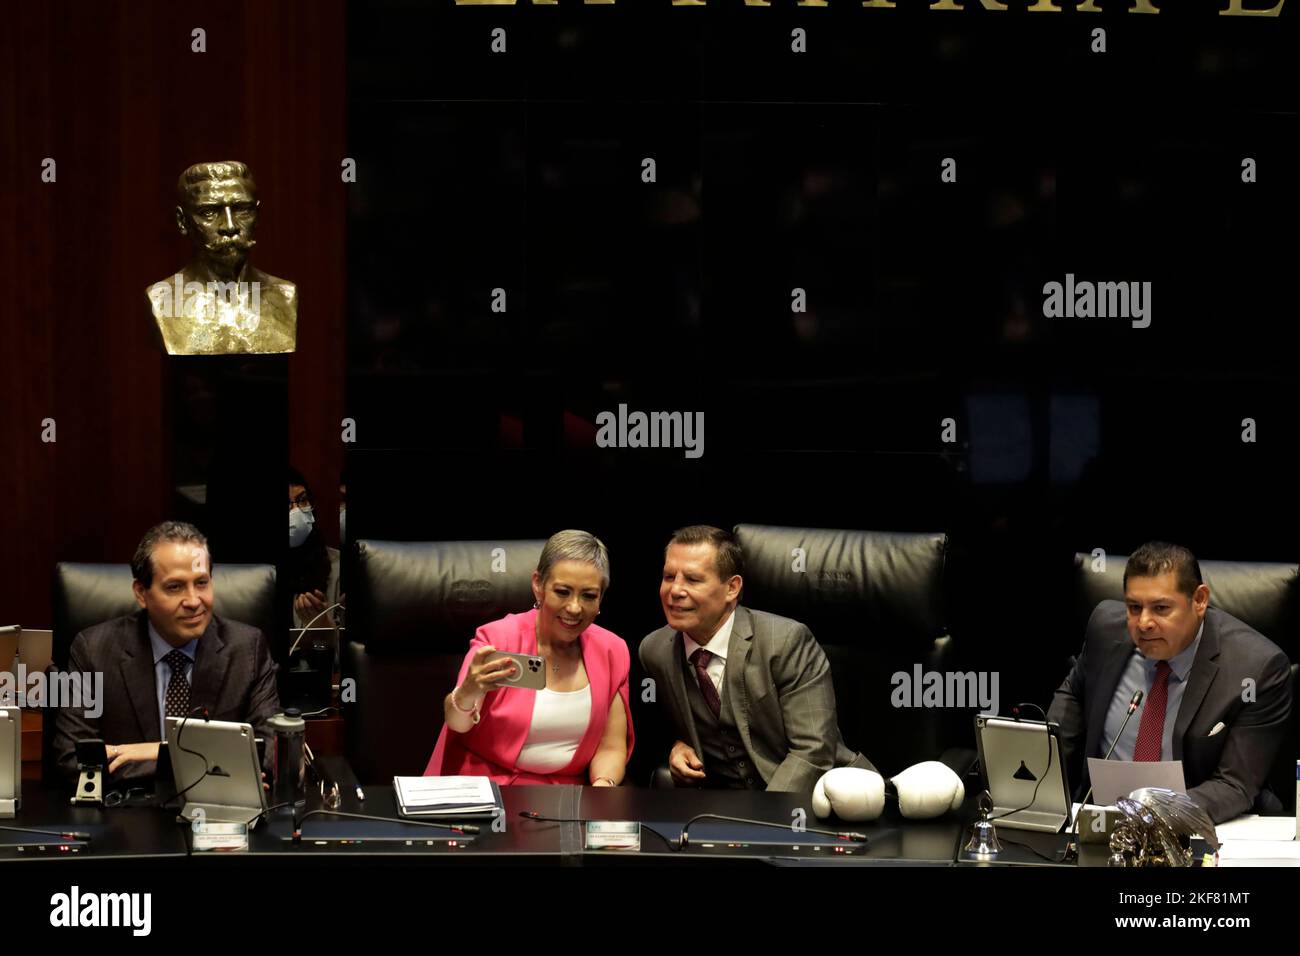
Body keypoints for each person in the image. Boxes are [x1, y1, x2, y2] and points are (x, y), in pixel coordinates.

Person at [1048, 541, 1293, 824]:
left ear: (1199, 600)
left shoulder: (1257, 668)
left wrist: (1148, 817)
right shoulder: (1105, 629)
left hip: (1197, 830)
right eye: (1134, 607)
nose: (1144, 623)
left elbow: (1234, 785)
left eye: (1161, 608)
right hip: (1100, 823)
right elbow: (1067, 715)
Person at [639, 525, 873, 792]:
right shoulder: (654, 651)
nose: (675, 590)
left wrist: (762, 822)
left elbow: (813, 751)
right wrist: (676, 746)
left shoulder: (786, 641)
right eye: (669, 577)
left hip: (829, 799)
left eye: (692, 579)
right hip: (723, 806)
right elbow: (659, 729)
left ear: (732, 588)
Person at [52, 521, 280, 786]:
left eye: (202, 583)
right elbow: (73, 761)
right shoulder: (94, 651)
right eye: (175, 587)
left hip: (218, 819)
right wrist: (216, 765)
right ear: (141, 593)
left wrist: (154, 751)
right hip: (127, 818)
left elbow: (270, 756)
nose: (194, 601)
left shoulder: (247, 648)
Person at [424, 530, 633, 786]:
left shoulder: (612, 651)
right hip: (485, 788)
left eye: (589, 595)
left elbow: (611, 748)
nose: (575, 607)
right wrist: (468, 690)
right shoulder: (498, 639)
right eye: (563, 592)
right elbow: (457, 723)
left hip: (565, 800)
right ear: (538, 584)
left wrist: (603, 787)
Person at [288, 466, 340, 628]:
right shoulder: (256, 577)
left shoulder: (337, 566)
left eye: (302, 500)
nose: (296, 511)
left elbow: (346, 647)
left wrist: (323, 624)